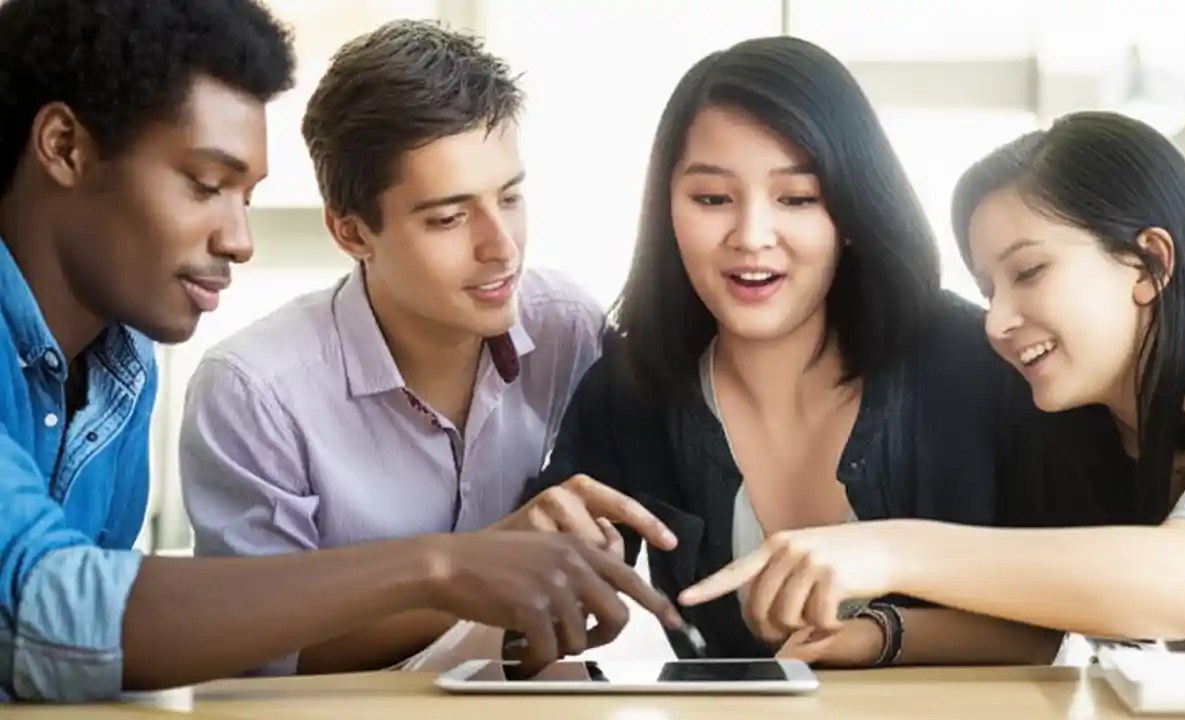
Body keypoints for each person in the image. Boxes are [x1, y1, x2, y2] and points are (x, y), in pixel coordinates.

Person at [0, 0, 678, 702]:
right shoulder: (251, 382)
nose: (241, 241)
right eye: (206, 186)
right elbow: (56, 612)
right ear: (64, 146)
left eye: (247, 196)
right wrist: (449, 567)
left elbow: (79, 665)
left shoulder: (120, 361)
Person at [514, 36, 1104, 667]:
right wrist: (536, 575)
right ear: (668, 209)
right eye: (712, 199)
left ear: (850, 211)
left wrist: (878, 636)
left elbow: (1056, 618)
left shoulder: (975, 359)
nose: (751, 236)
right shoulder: (631, 387)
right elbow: (527, 631)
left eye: (797, 198)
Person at [682, 111, 1185, 655]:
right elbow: (1060, 635)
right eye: (989, 290)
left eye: (1029, 271)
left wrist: (889, 551)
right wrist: (877, 635)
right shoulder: (1084, 431)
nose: (995, 322)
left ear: (1149, 263)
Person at [177, 19, 657, 676]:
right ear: (351, 232)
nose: (502, 246)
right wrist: (479, 570)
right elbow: (261, 654)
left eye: (510, 197)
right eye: (449, 217)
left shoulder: (568, 329)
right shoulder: (254, 391)